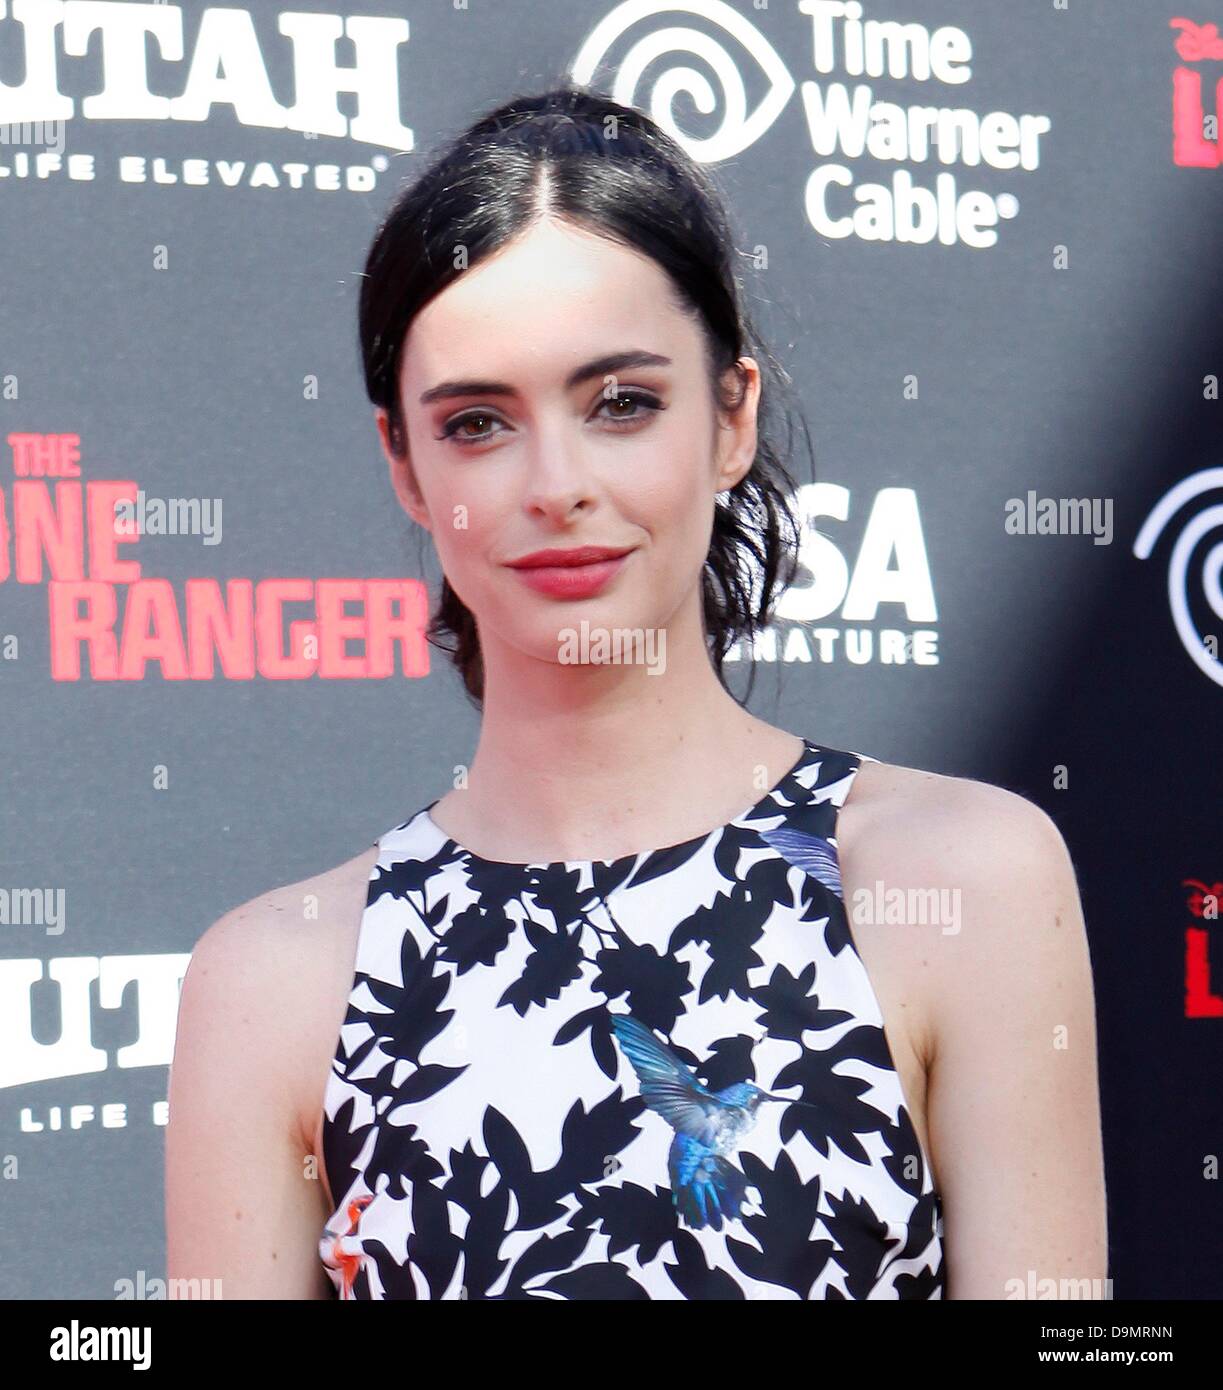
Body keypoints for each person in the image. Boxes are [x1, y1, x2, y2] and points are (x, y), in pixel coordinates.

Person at [165, 86, 1107, 1300]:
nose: (555, 482)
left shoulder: (961, 877)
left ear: (730, 418)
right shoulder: (273, 981)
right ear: (402, 461)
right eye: (476, 422)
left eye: (620, 402)